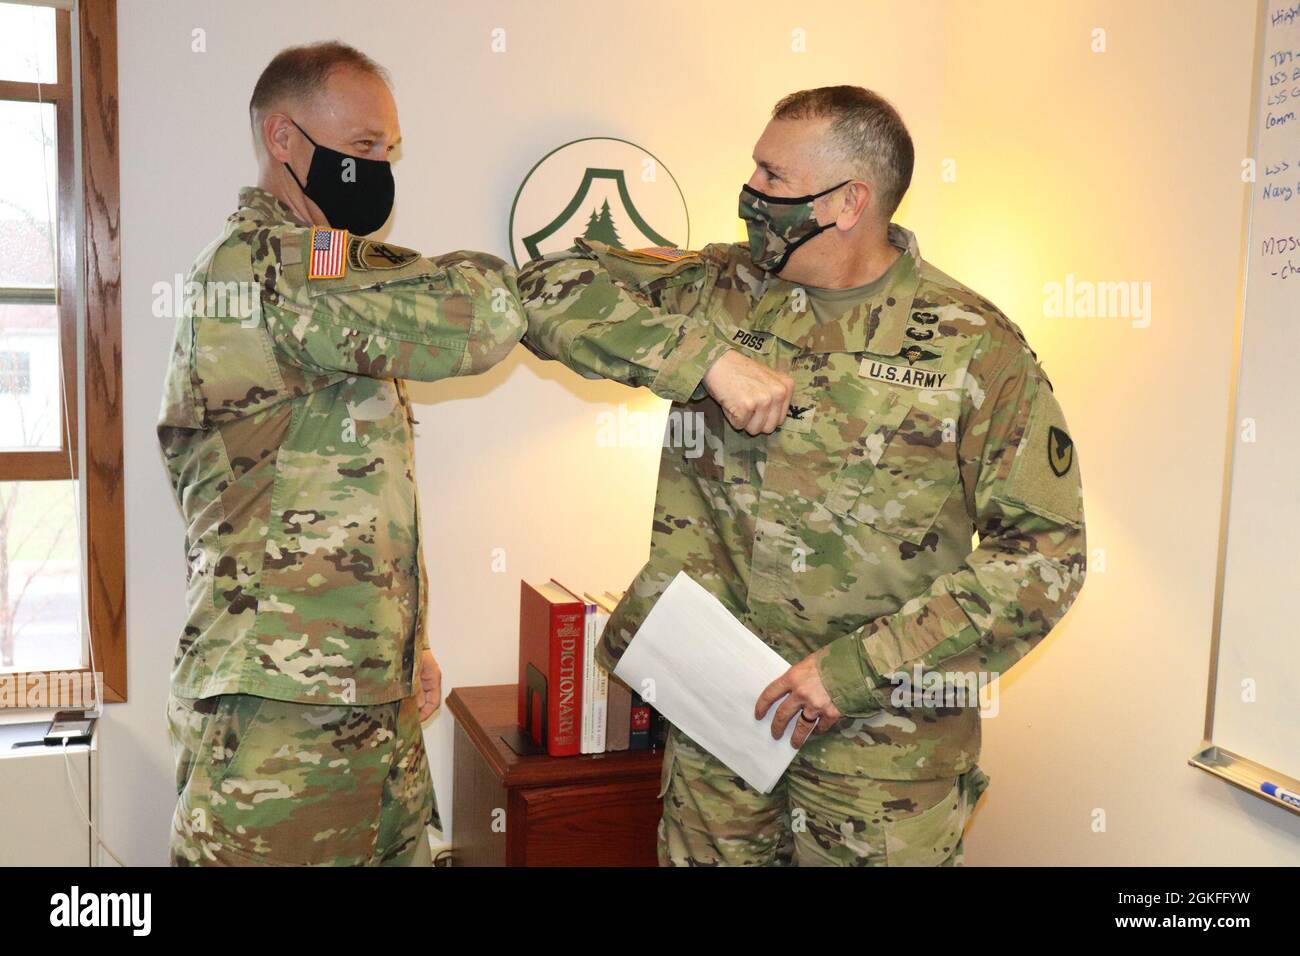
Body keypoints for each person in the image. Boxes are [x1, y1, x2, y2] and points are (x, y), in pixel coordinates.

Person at [518, 86, 1087, 866]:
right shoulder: (717, 288)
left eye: (772, 177)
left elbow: (1046, 556)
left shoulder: (972, 347)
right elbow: (542, 290)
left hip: (882, 757)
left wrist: (854, 672)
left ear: (849, 201)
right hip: (720, 726)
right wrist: (701, 359)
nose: (750, 192)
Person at [157, 42, 526, 865]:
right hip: (281, 718)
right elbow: (482, 318)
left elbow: (356, 487)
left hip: (363, 698)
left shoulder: (328, 272)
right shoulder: (265, 267)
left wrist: (410, 644)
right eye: (363, 149)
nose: (379, 171)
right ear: (283, 138)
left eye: (388, 152)